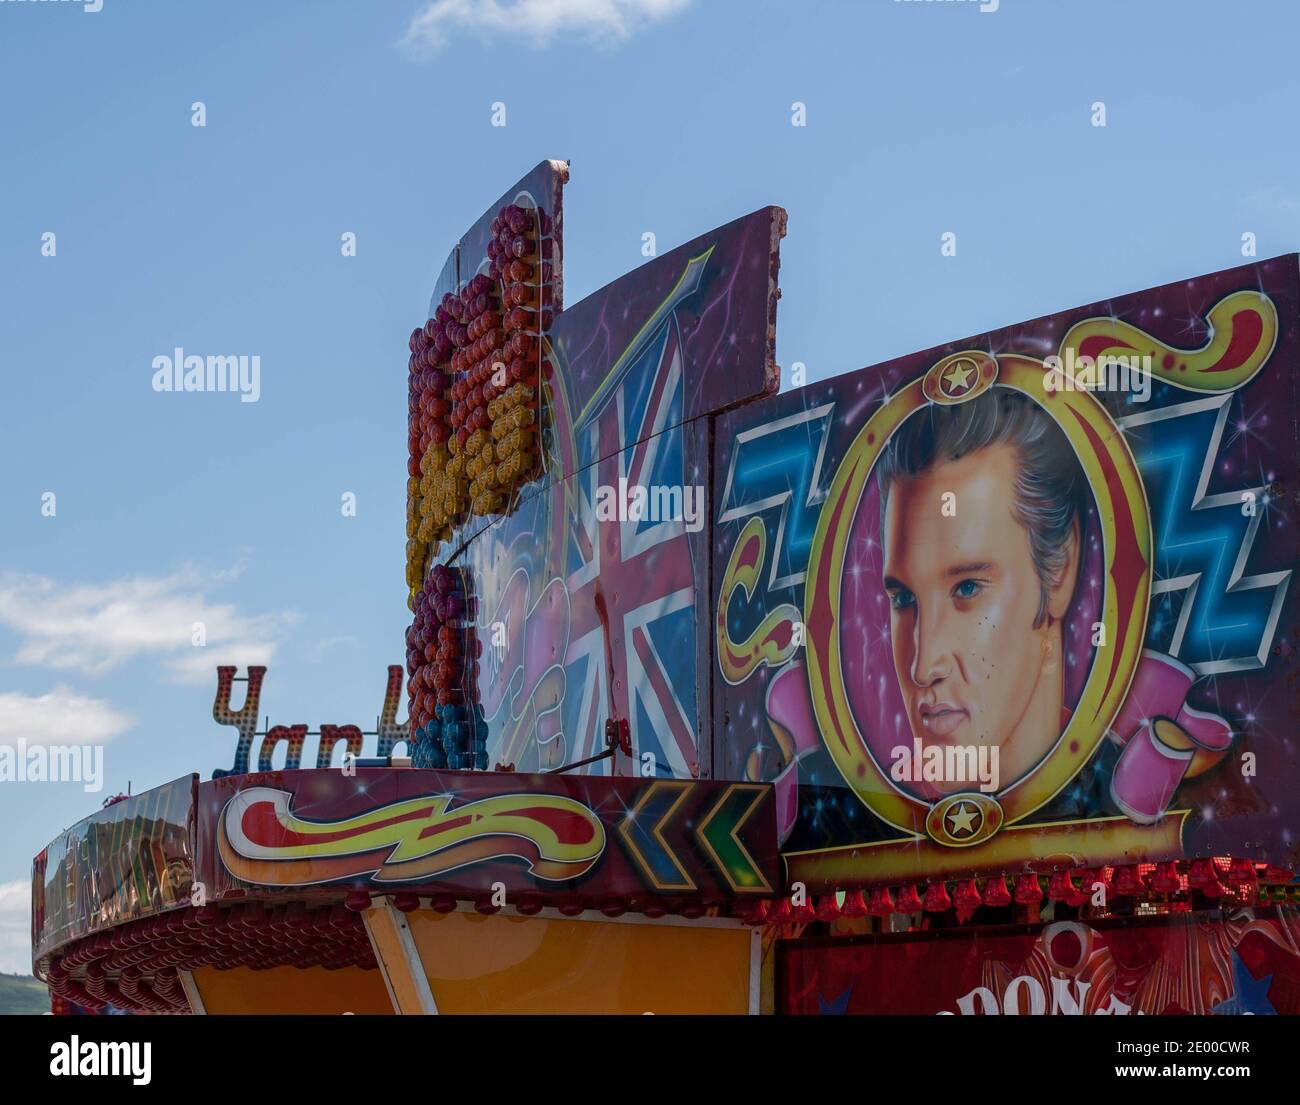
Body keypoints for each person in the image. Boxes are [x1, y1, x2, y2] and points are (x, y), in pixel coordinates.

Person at [876, 388, 1086, 794]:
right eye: (903, 599)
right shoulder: (855, 831)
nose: (923, 667)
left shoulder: (1133, 801)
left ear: (1059, 566)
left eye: (967, 588)